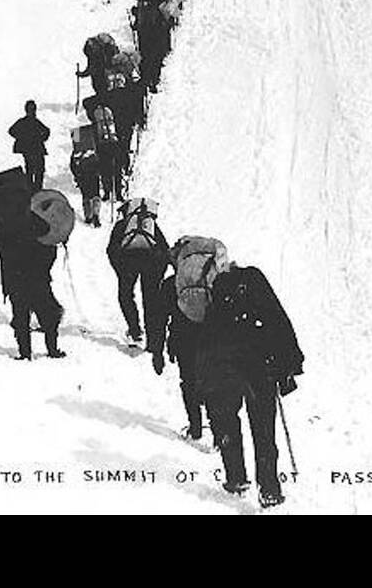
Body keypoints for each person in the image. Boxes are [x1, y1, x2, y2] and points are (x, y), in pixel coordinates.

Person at [192, 246, 304, 508]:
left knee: (228, 423)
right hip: (258, 365)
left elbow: (202, 338)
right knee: (264, 429)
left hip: (221, 367)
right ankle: (269, 490)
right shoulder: (251, 278)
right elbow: (277, 317)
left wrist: (201, 378)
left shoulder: (203, 294)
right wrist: (291, 360)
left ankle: (236, 479)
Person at [0, 167, 65, 360]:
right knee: (48, 313)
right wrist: (44, 267)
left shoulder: (1, 222)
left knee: (21, 315)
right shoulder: (36, 218)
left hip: (14, 277)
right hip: (37, 276)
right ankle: (52, 350)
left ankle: (25, 353)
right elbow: (50, 243)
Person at [147, 238, 216, 443]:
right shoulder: (216, 282)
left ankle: (195, 428)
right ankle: (220, 432)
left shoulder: (170, 285)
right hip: (213, 342)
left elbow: (158, 320)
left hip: (182, 340)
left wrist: (157, 352)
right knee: (214, 384)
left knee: (189, 382)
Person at [105, 199, 170, 346]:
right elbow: (164, 250)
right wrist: (160, 273)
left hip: (127, 263)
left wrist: (120, 270)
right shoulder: (151, 227)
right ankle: (152, 340)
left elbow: (111, 250)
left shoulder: (121, 226)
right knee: (151, 300)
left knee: (125, 296)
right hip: (152, 262)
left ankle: (134, 330)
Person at [8, 100, 50, 192]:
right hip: (32, 149)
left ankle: (34, 189)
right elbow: (11, 131)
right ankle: (34, 189)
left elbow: (46, 131)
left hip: (33, 149)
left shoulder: (32, 122)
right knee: (34, 170)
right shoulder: (30, 122)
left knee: (35, 170)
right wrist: (23, 138)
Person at [68, 126, 102, 226]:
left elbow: (72, 165)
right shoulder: (92, 146)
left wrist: (76, 175)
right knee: (95, 194)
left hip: (82, 172)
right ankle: (96, 214)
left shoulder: (77, 149)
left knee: (86, 195)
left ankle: (88, 216)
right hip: (93, 170)